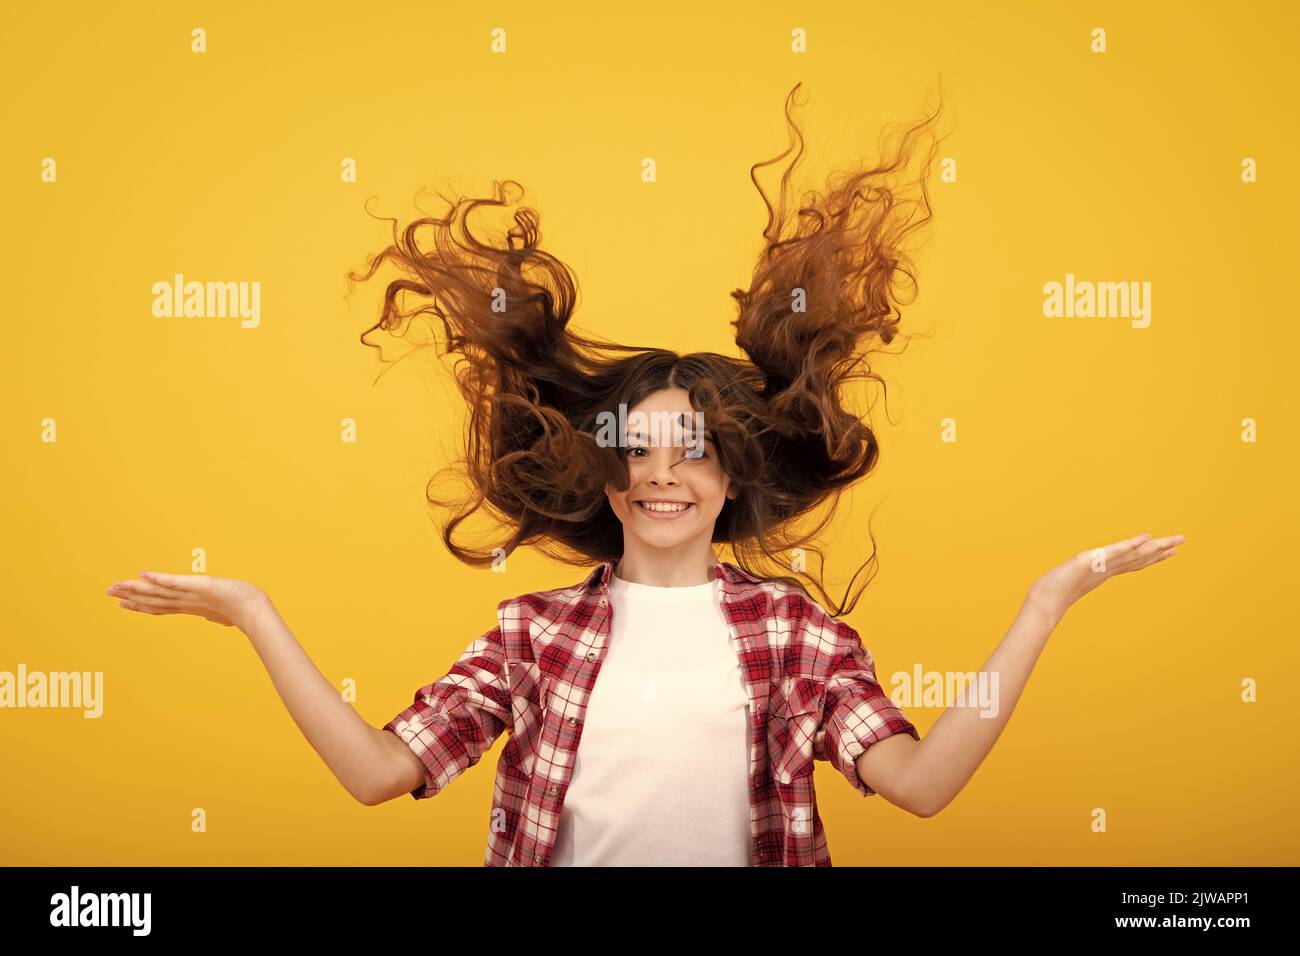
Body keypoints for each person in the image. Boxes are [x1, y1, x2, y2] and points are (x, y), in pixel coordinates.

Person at [104, 83, 1184, 866]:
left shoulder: (794, 637)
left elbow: (923, 787)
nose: (663, 474)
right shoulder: (530, 636)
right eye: (638, 447)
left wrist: (1046, 603)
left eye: (695, 450)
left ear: (730, 478)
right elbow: (378, 772)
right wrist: (254, 612)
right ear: (601, 470)